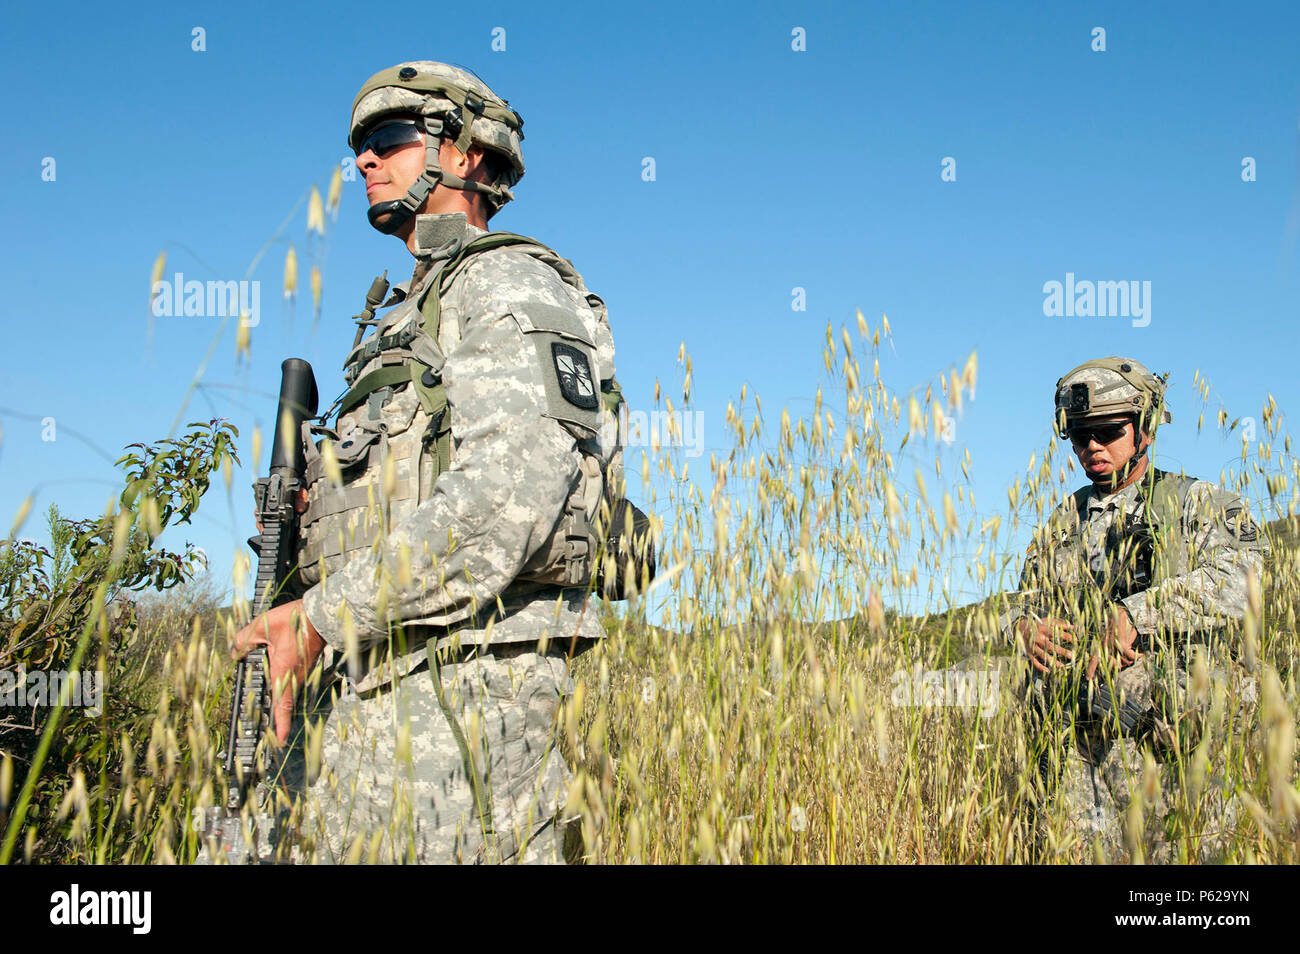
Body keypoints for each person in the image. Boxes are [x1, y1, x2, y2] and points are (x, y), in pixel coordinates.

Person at [232, 61, 624, 863]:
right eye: (361, 146)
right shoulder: (405, 315)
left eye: (389, 138)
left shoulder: (506, 281)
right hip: (375, 672)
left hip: (464, 686)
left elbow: (507, 502)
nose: (365, 160)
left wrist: (321, 617)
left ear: (465, 152)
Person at [1006, 356, 1265, 863]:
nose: (1092, 448)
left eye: (1107, 431)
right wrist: (1022, 627)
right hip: (1077, 768)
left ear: (1145, 427)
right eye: (1079, 436)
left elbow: (1246, 578)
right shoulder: (1064, 520)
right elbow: (1022, 600)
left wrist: (1137, 614)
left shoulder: (1197, 503)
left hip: (1172, 762)